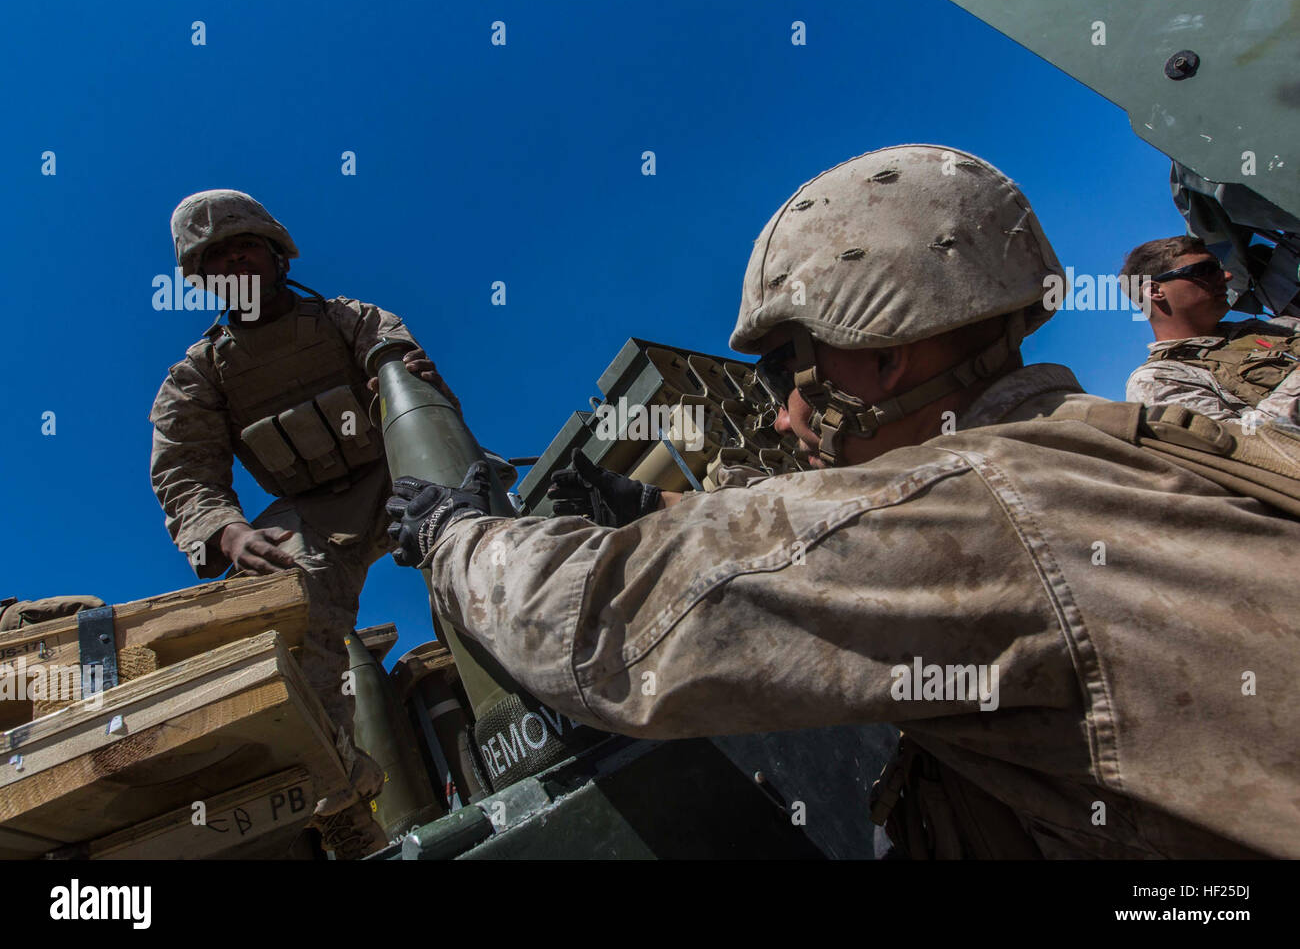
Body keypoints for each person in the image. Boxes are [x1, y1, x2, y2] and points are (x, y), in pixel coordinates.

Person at [386, 146, 1300, 858]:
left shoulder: (976, 507)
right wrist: (649, 507)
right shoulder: (1153, 443)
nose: (785, 417)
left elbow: (587, 623)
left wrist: (451, 531)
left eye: (788, 370)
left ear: (882, 356)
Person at [149, 189, 459, 856]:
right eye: (217, 257)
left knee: (473, 537)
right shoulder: (198, 376)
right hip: (312, 514)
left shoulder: (348, 317)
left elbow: (403, 369)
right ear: (203, 281)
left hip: (396, 470)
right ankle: (340, 807)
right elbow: (186, 474)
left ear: (277, 253)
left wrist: (411, 381)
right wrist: (230, 532)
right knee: (280, 616)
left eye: (246, 246)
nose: (236, 261)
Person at [1123, 234, 1300, 426]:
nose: (1227, 276)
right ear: (1155, 291)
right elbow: (1238, 445)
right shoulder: (1159, 379)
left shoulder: (1271, 328)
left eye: (1219, 268)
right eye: (1206, 270)